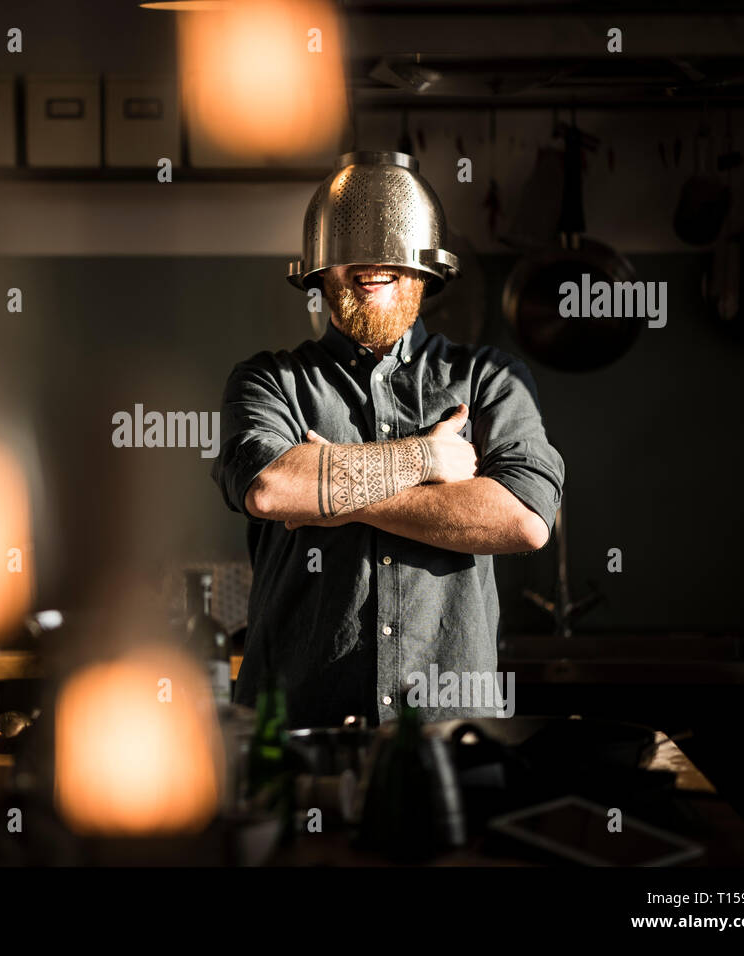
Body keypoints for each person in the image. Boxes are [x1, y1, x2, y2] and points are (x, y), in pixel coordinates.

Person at [212, 152, 565, 726]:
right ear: (318, 271)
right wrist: (425, 457)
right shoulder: (266, 380)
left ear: (427, 271)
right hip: (298, 720)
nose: (372, 264)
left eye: (392, 254)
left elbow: (523, 520)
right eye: (351, 250)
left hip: (451, 727)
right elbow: (273, 491)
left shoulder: (492, 379)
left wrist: (329, 496)